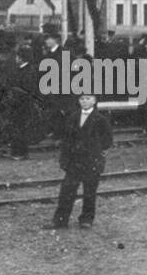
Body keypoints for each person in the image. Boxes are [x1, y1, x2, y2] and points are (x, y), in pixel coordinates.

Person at [44, 92, 113, 230]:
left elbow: (107, 140)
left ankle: (86, 219)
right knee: (67, 190)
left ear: (94, 100)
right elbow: (67, 139)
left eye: (88, 98)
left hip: (91, 161)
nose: (85, 101)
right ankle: (60, 220)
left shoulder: (101, 119)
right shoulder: (72, 117)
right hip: (74, 161)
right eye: (82, 99)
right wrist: (65, 159)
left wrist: (96, 152)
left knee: (89, 191)